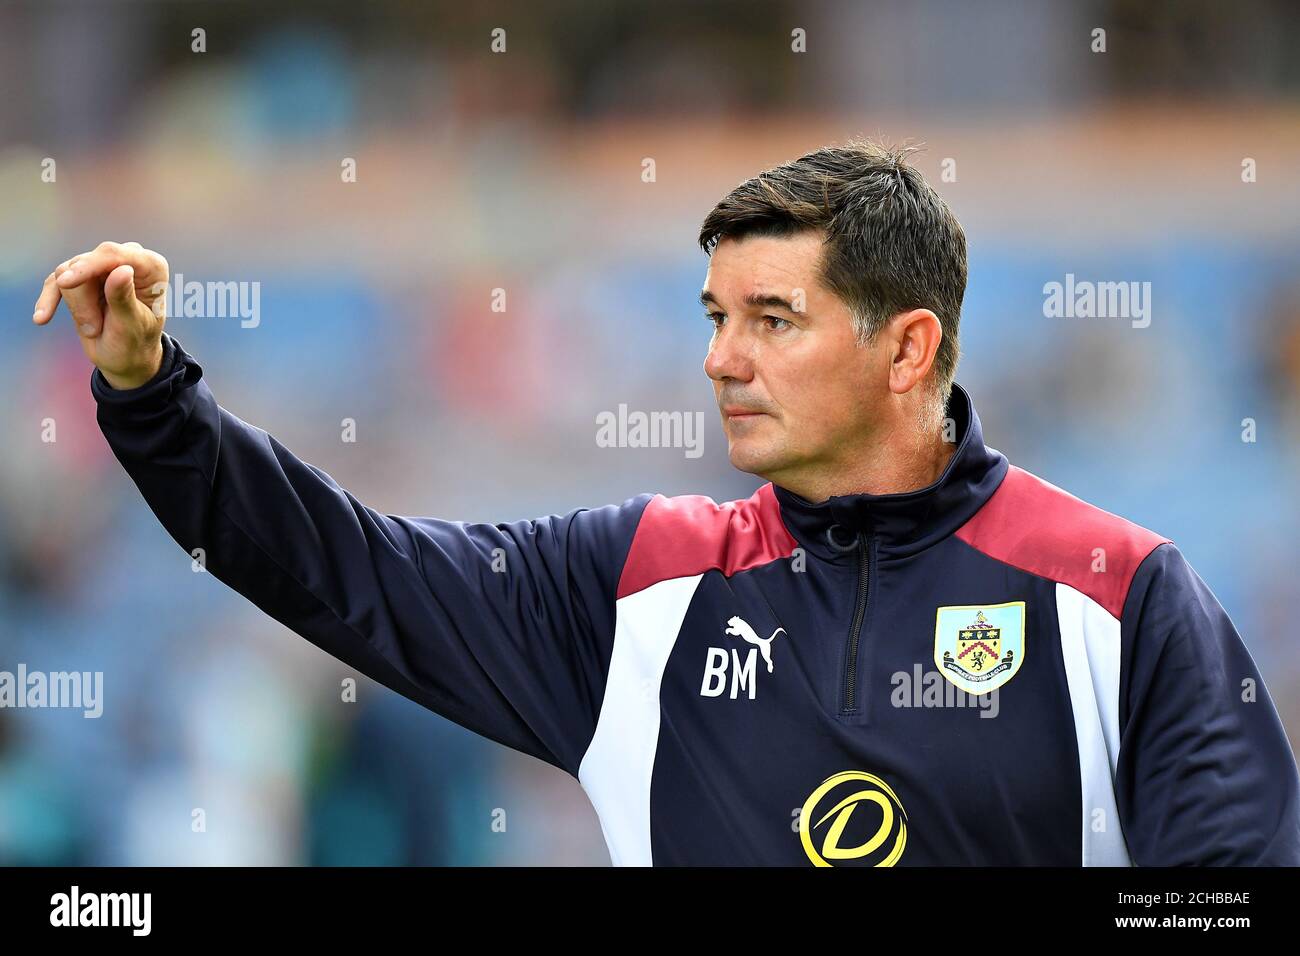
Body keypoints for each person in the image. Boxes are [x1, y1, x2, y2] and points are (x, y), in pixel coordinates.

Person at [31, 140, 1300, 866]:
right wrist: (153, 395)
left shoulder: (1122, 590)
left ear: (908, 348)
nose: (720, 359)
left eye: (771, 320)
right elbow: (336, 565)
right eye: (713, 318)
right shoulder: (634, 583)